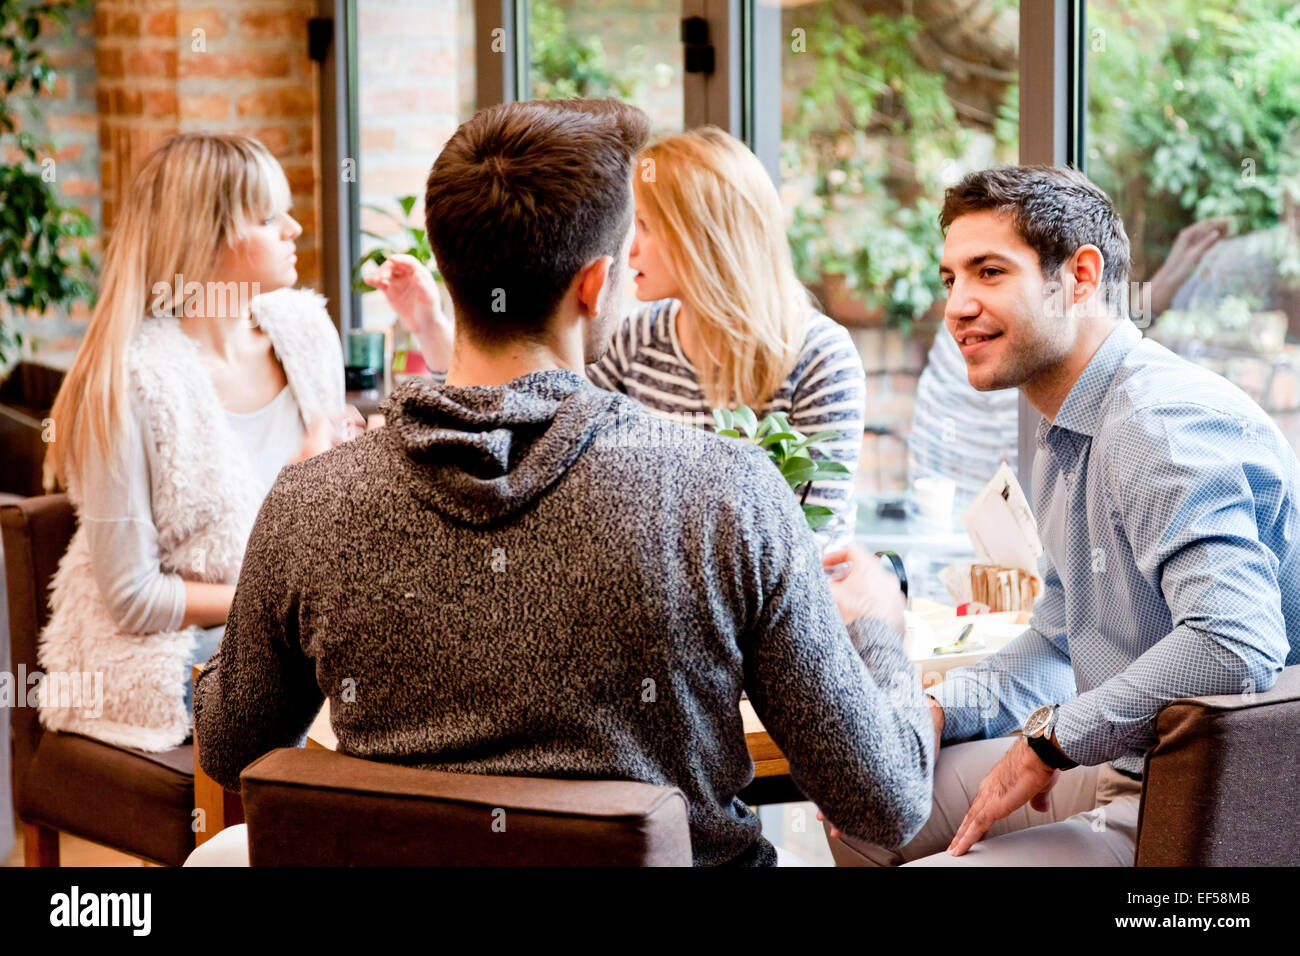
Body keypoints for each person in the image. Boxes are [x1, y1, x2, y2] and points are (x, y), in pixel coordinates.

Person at [189, 98, 933, 867]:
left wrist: (267, 573)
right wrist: (878, 624)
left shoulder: (314, 500)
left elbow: (228, 745)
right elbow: (886, 802)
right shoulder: (729, 496)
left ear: (445, 262)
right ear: (594, 283)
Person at [827, 164, 1300, 866]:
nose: (956, 304)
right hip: (1124, 762)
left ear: (1080, 277)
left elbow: (1235, 644)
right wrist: (939, 711)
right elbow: (1059, 639)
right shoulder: (1061, 423)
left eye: (988, 272)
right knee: (871, 811)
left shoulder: (1156, 423)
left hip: (1218, 807)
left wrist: (1051, 739)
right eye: (950, 277)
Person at [368, 126, 866, 550]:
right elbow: (516, 413)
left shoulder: (821, 358)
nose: (629, 252)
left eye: (644, 227)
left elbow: (815, 541)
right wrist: (430, 326)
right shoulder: (642, 337)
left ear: (703, 235)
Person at [38, 133, 360, 752]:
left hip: (296, 637)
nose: (294, 228)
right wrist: (280, 598)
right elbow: (134, 601)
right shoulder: (134, 381)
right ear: (210, 239)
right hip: (176, 657)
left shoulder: (307, 333)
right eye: (269, 218)